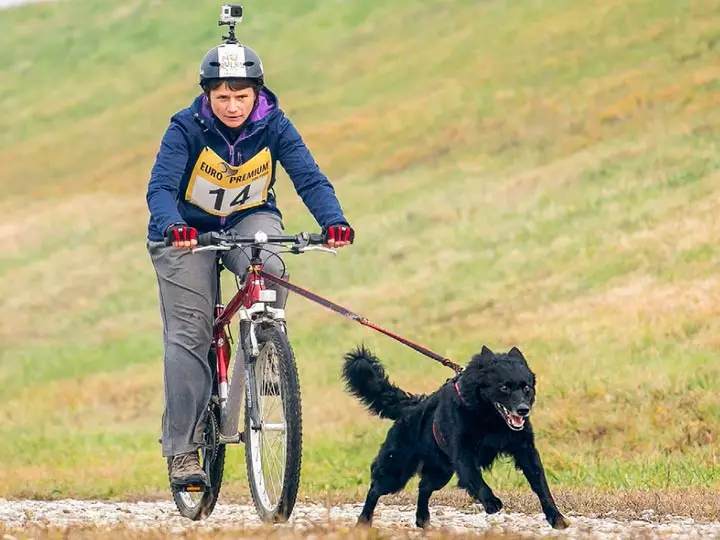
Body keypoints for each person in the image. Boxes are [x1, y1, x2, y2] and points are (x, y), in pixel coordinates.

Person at [145, 33, 354, 487]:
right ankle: (183, 453)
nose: (233, 106)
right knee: (189, 335)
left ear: (257, 94)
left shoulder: (275, 125)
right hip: (186, 233)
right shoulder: (184, 128)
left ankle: (267, 348)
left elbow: (309, 178)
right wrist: (172, 226)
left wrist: (334, 221)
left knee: (274, 268)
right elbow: (159, 189)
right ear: (208, 95)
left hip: (247, 217)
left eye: (241, 96)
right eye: (223, 96)